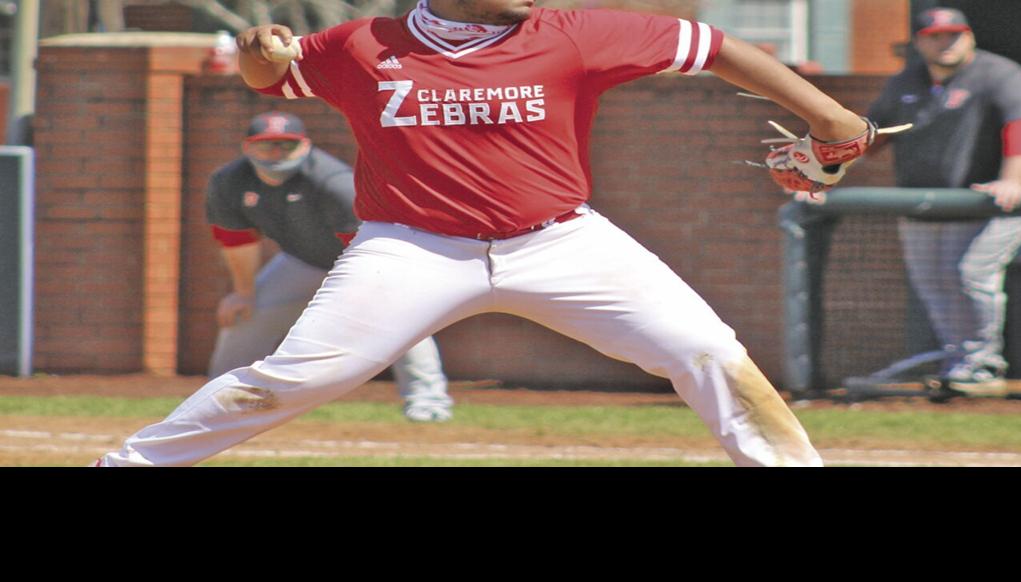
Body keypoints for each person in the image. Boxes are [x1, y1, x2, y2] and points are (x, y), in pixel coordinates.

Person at [96, 0, 872, 467]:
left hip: (561, 240)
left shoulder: (570, 32)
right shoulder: (368, 43)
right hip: (411, 245)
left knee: (707, 351)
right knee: (300, 377)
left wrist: (828, 115)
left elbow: (712, 45)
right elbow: (275, 78)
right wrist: (253, 53)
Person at [206, 111, 455, 422]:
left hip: (363, 262)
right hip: (302, 262)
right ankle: (218, 402)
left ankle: (428, 403)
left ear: (306, 146)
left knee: (400, 318)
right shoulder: (229, 181)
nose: (276, 154)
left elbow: (366, 239)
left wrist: (381, 287)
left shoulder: (332, 181)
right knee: (246, 313)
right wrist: (243, 292)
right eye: (266, 145)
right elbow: (237, 241)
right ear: (246, 147)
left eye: (287, 145)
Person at [866, 8, 1021, 396]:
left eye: (955, 34)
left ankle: (984, 364)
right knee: (935, 286)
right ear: (919, 42)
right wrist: (818, 170)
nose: (946, 42)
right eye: (935, 35)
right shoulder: (907, 81)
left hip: (991, 206)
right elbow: (868, 137)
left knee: (972, 274)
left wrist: (1012, 180)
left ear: (969, 36)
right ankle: (962, 362)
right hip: (926, 208)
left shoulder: (1000, 73)